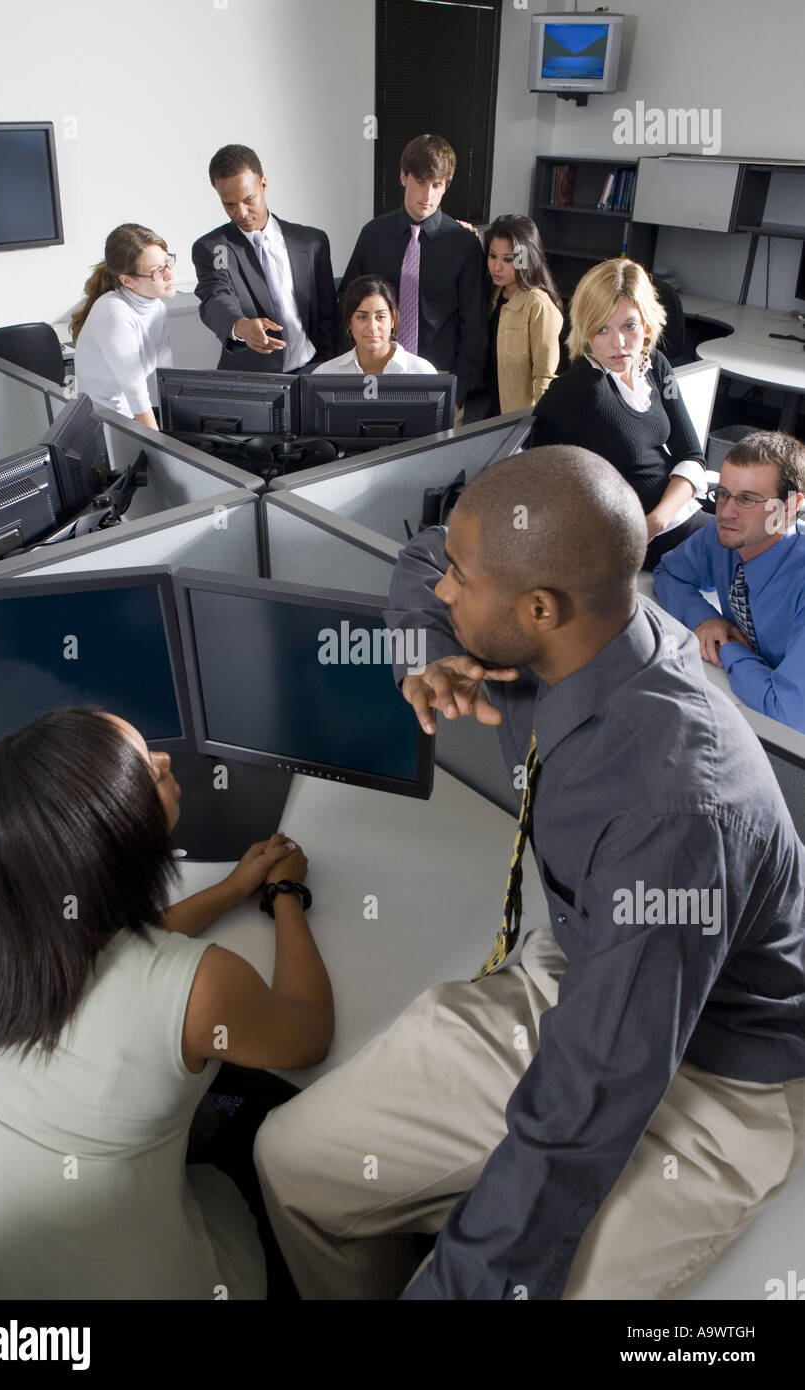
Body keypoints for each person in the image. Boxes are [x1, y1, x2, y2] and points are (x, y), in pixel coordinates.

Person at [253, 445, 805, 1301]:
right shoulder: (565, 636)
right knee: (291, 1163)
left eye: (463, 586)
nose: (445, 590)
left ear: (539, 606)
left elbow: (588, 1099)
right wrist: (423, 652)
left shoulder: (669, 807)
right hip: (591, 970)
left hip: (717, 1075)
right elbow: (422, 555)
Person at [0, 707, 332, 1300]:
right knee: (232, 1187)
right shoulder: (201, 988)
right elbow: (307, 1034)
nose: (165, 758)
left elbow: (102, 944)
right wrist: (284, 895)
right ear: (119, 837)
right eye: (148, 769)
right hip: (150, 1280)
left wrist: (229, 889)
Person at [530, 257, 709, 569]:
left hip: (677, 518)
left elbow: (692, 454)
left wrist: (656, 519)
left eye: (630, 326)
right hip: (653, 545)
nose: (619, 343)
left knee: (782, 540)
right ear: (585, 331)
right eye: (602, 329)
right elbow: (539, 477)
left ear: (647, 323)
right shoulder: (578, 389)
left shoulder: (656, 366)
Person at [653, 429, 805, 732]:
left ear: (788, 506)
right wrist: (704, 619)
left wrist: (730, 648)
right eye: (723, 494)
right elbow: (668, 572)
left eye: (747, 499)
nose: (726, 512)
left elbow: (791, 713)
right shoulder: (725, 535)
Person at [340, 135, 487, 410]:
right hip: (375, 373)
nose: (428, 195)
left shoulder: (464, 244)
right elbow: (347, 306)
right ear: (404, 177)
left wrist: (458, 391)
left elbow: (475, 328)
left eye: (437, 185)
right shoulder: (373, 235)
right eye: (421, 182)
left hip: (439, 378)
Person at [192, 144, 340, 374]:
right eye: (229, 204)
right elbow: (215, 298)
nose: (241, 212)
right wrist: (240, 326)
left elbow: (328, 313)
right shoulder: (213, 248)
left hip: (311, 370)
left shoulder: (313, 242)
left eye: (248, 199)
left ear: (263, 185)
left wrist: (326, 365)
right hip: (254, 380)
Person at [71, 224, 176, 428]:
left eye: (167, 262)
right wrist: (162, 448)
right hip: (97, 425)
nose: (169, 275)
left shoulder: (158, 308)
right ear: (127, 281)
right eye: (157, 271)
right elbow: (134, 388)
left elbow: (166, 377)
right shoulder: (113, 311)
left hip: (127, 418)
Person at [483, 214, 563, 415]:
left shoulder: (537, 304)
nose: (497, 266)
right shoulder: (495, 293)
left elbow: (545, 376)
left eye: (508, 259)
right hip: (488, 407)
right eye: (492, 256)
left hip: (518, 415)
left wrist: (536, 423)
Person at [313, 275, 438, 376]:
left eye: (381, 317)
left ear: (393, 321)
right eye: (362, 317)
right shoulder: (324, 374)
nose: (372, 326)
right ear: (349, 322)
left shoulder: (422, 372)